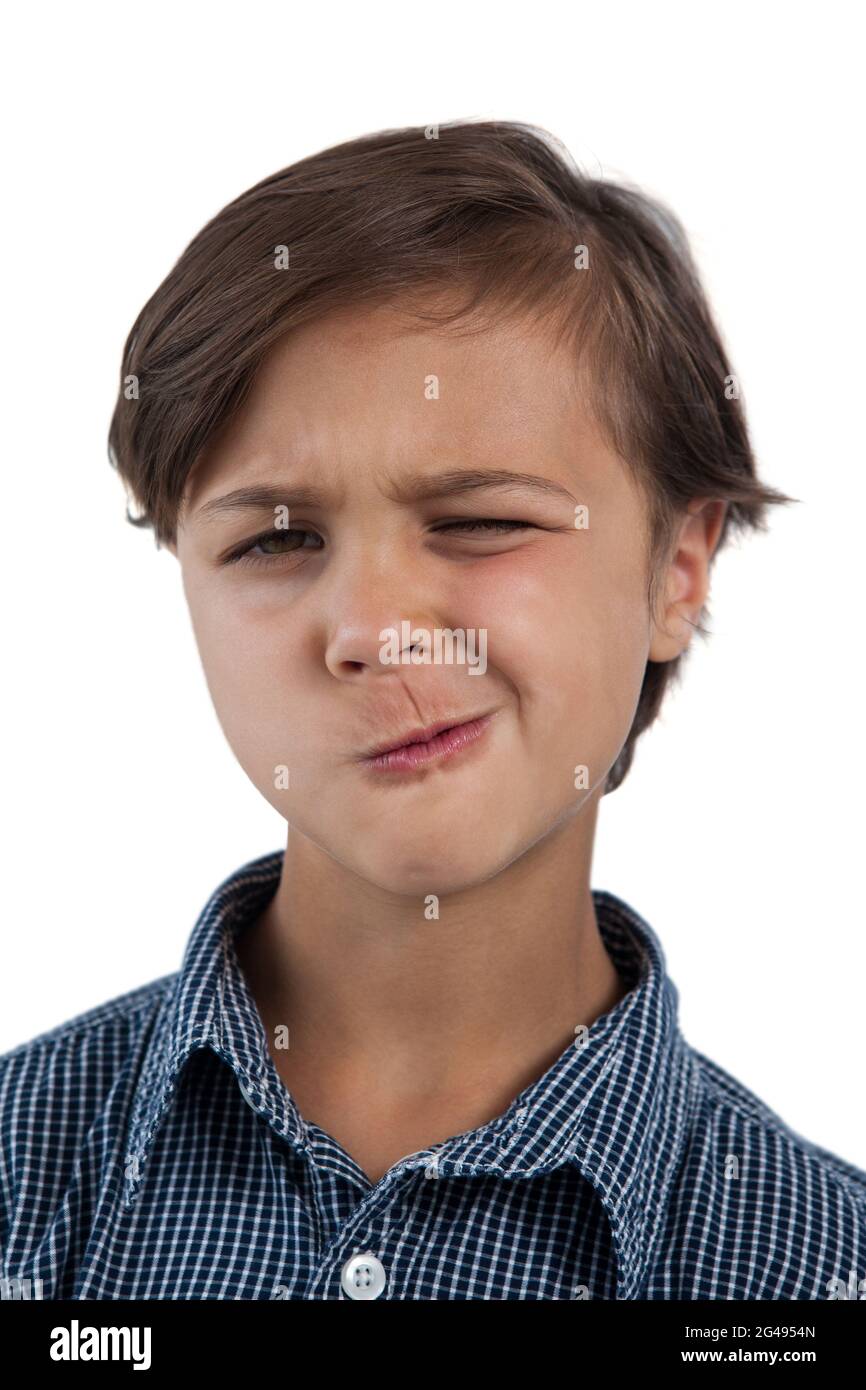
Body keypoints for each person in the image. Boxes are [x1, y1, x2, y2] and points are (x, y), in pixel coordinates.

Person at [2, 120, 864, 1302]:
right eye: (277, 538)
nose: (374, 627)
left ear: (675, 567)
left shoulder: (822, 1275)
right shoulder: (20, 1171)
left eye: (477, 521)